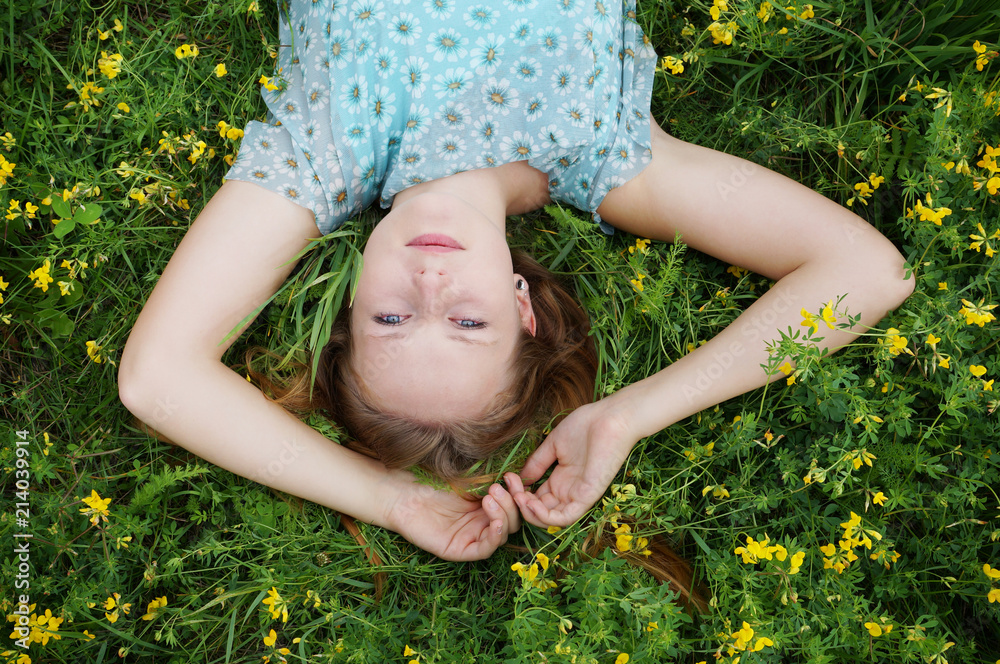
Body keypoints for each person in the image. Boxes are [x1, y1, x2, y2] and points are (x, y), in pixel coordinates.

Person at [117, 0, 914, 565]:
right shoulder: (611, 159)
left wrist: (393, 501)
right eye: (468, 324)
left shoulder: (320, 152)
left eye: (392, 318)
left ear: (352, 299)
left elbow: (157, 380)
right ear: (523, 307)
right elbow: (866, 271)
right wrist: (628, 416)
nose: (431, 280)